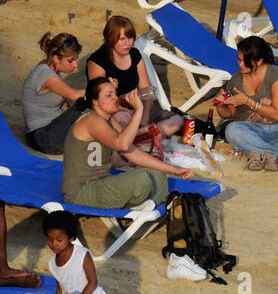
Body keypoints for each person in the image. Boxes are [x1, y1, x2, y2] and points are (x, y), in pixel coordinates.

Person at [61, 79, 191, 213]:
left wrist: (175, 170)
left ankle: (150, 203)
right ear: (95, 101)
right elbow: (122, 144)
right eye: (109, 95)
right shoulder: (90, 120)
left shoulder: (109, 120)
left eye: (115, 93)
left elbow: (133, 153)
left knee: (157, 172)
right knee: (141, 181)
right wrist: (139, 108)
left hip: (102, 183)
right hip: (79, 192)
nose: (115, 98)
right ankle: (148, 203)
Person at [214, 36, 278, 171]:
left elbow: (277, 114)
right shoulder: (237, 80)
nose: (240, 65)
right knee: (232, 130)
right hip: (253, 130)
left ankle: (252, 149)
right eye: (239, 60)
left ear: (259, 61)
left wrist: (247, 101)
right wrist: (220, 104)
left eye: (244, 61)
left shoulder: (276, 74)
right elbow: (228, 113)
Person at [87, 16, 183, 137]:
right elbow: (101, 101)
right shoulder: (98, 61)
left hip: (137, 106)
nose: (128, 43)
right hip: (115, 110)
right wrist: (126, 103)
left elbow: (147, 91)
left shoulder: (134, 54)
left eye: (131, 37)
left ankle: (143, 137)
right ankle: (144, 138)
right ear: (111, 39)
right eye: (122, 39)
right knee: (124, 122)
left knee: (177, 120)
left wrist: (143, 119)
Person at [23, 31, 86, 154]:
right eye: (70, 61)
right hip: (43, 138)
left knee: (88, 109)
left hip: (48, 131)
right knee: (92, 102)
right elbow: (76, 95)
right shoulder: (46, 75)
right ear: (56, 58)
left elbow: (65, 105)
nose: (75, 65)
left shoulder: (48, 66)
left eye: (76, 60)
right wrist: (103, 86)